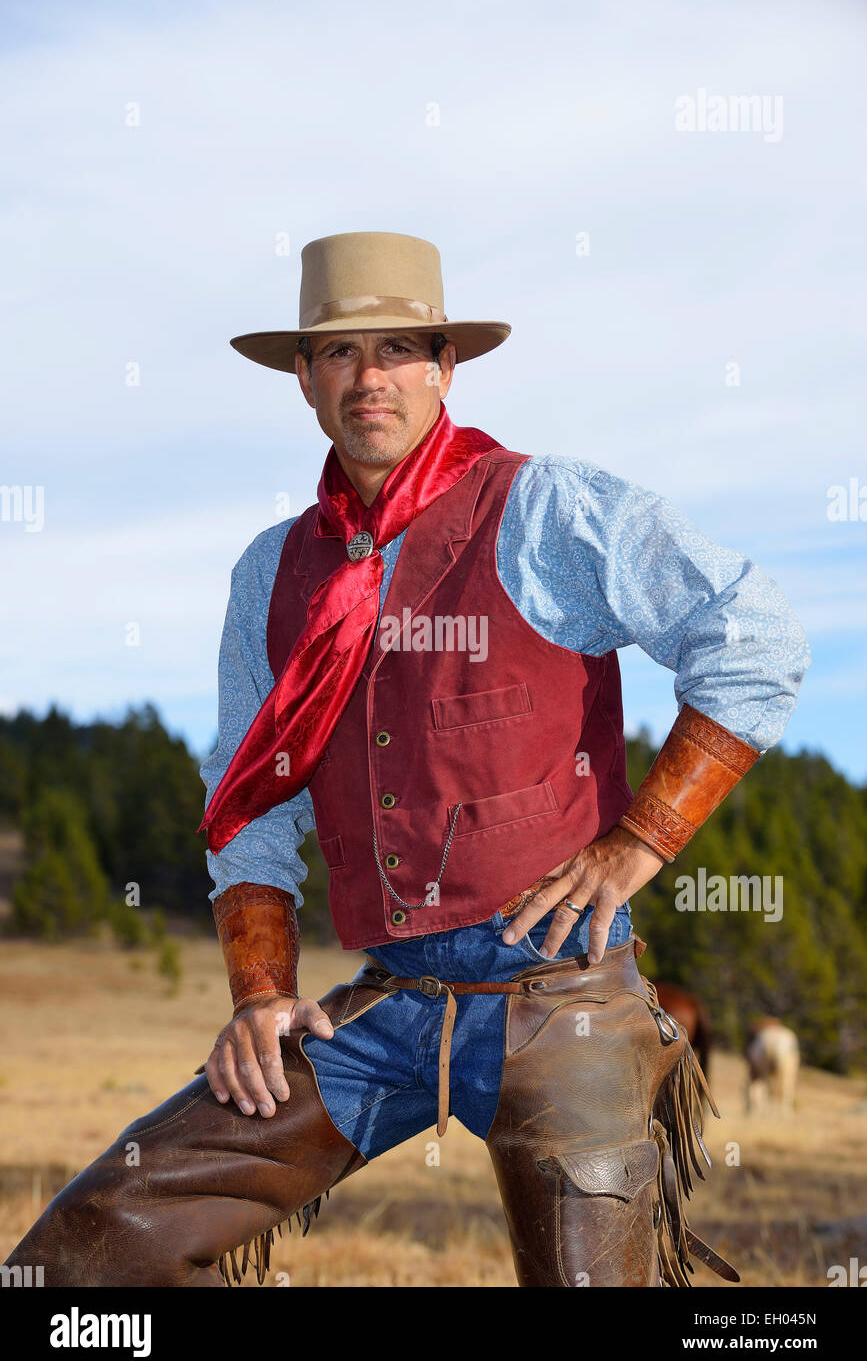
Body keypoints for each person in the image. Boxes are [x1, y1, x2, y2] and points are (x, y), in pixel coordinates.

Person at [4, 230, 810, 1288]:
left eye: (396, 349)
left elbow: (752, 635)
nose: (367, 377)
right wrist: (260, 992)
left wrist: (639, 842)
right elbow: (247, 801)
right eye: (339, 354)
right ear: (303, 379)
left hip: (562, 1000)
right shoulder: (273, 572)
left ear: (445, 366)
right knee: (86, 1251)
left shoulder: (544, 510)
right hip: (389, 1004)